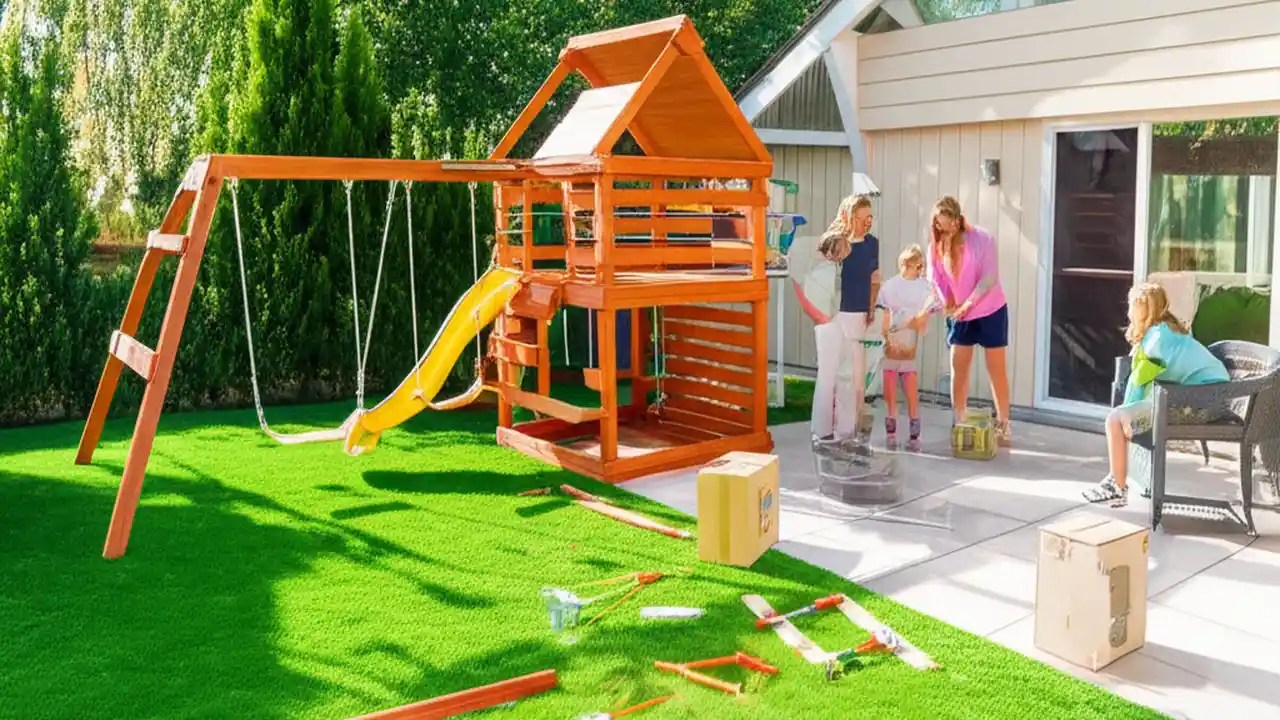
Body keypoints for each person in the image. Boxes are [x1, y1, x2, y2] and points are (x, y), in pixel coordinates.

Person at [1083, 282, 1229, 506]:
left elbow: (1138, 383)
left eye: (1132, 306)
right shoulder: (1167, 331)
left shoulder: (1156, 340)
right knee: (1123, 418)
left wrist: (1125, 418)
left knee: (1114, 419)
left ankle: (1117, 486)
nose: (1129, 312)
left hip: (1201, 401)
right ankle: (1117, 482)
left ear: (1142, 312)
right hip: (1209, 397)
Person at [926, 196, 1012, 446]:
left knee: (995, 369)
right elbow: (936, 279)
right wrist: (947, 303)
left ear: (958, 219)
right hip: (960, 314)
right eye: (940, 226)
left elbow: (989, 278)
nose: (945, 230)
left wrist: (968, 304)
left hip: (990, 309)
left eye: (948, 224)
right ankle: (959, 420)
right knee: (958, 367)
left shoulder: (982, 239)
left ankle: (1004, 424)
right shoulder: (936, 246)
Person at [815, 194, 881, 447]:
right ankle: (822, 430)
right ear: (849, 216)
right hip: (832, 315)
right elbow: (818, 266)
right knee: (829, 374)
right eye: (862, 217)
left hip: (857, 314)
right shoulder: (834, 243)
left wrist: (871, 308)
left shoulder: (872, 244)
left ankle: (846, 432)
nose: (867, 222)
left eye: (870, 217)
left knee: (851, 377)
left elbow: (874, 278)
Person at [876, 244, 934, 451]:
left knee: (911, 389)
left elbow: (927, 314)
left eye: (922, 267)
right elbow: (882, 315)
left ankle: (914, 430)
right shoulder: (891, 286)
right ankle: (891, 430)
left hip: (909, 348)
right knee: (890, 389)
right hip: (891, 345)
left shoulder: (925, 287)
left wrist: (920, 319)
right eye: (918, 266)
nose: (921, 271)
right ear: (906, 265)